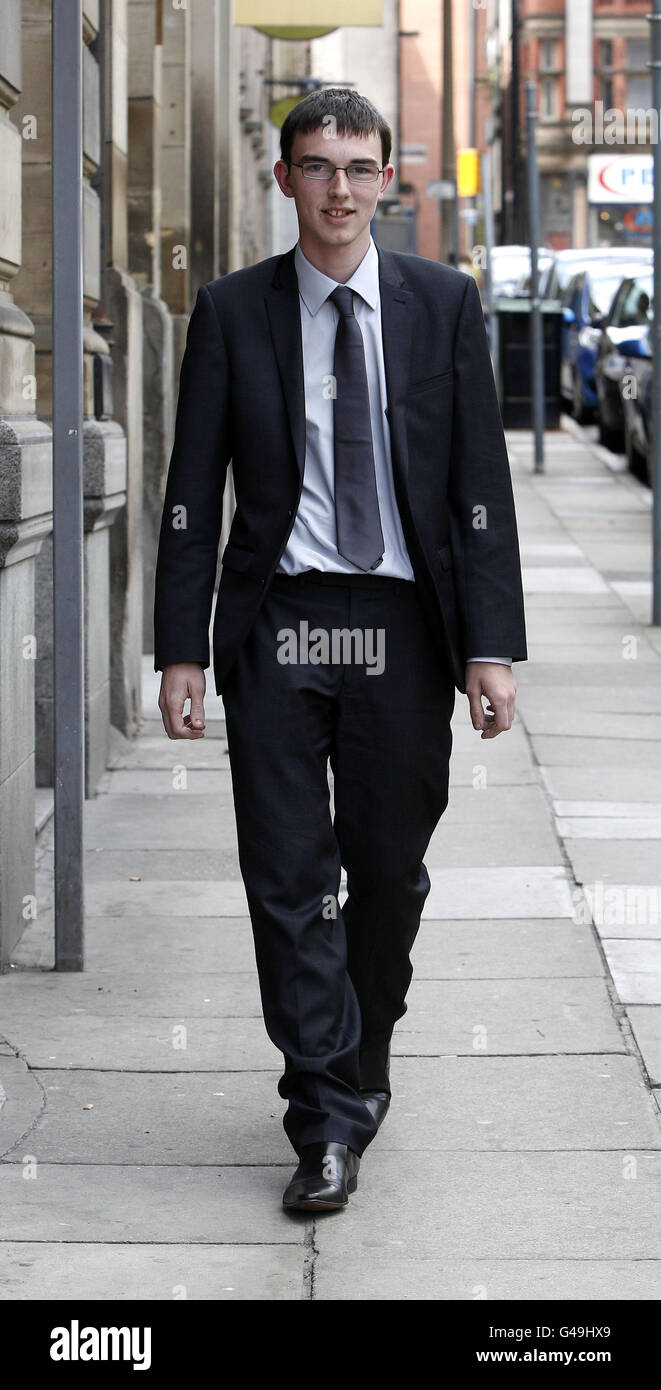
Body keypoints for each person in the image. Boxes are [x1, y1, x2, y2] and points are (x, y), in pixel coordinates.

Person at [154, 89, 527, 1213]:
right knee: (287, 880)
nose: (340, 190)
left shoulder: (441, 303)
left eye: (360, 169)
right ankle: (321, 1113)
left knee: (389, 873)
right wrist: (180, 648)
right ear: (284, 181)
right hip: (278, 624)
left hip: (402, 631)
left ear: (385, 181)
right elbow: (189, 492)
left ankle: (362, 1055)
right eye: (317, 167)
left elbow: (478, 484)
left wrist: (490, 647)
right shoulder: (230, 312)